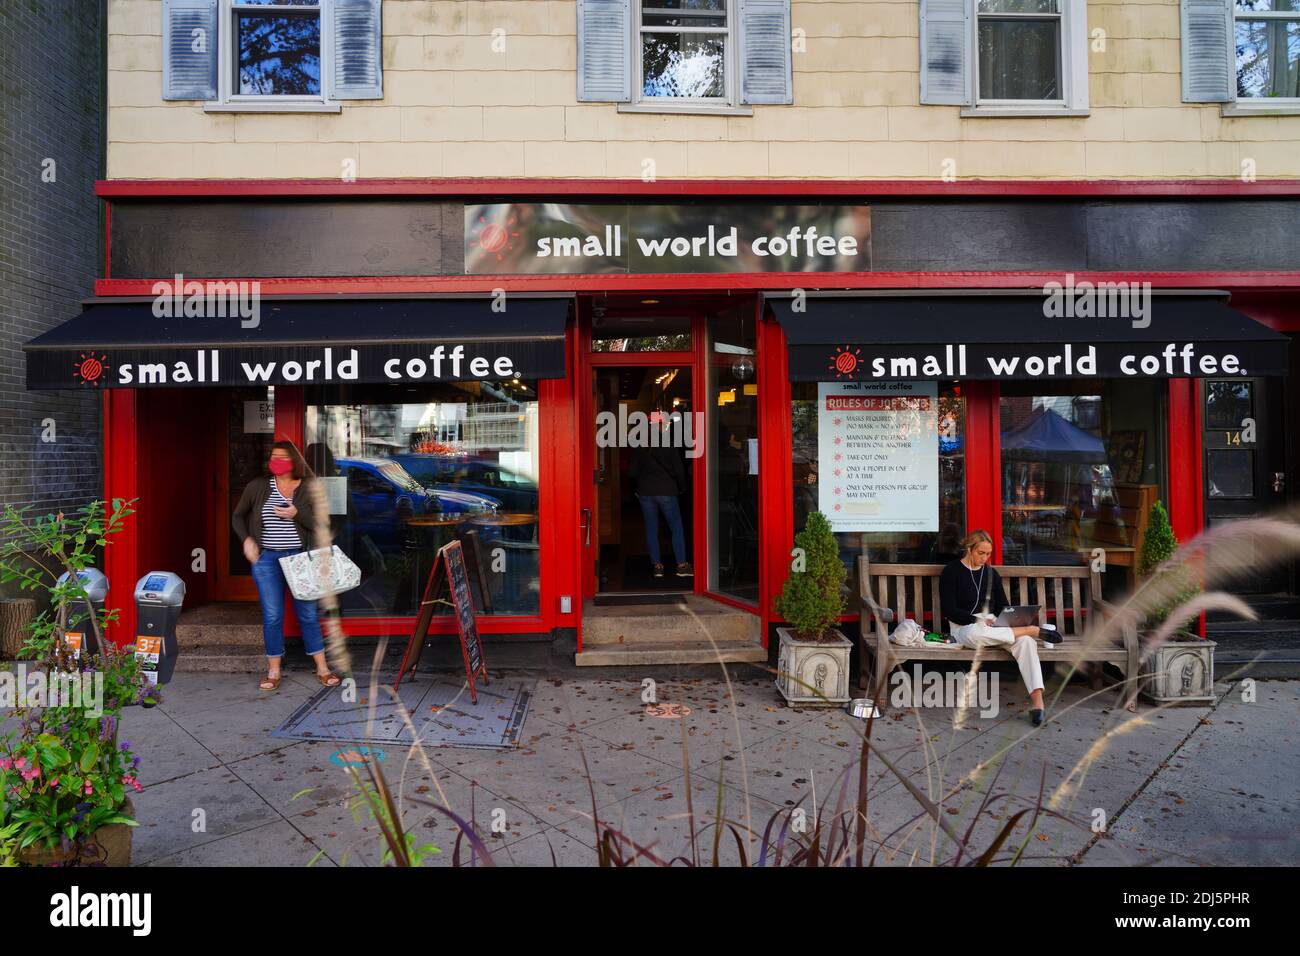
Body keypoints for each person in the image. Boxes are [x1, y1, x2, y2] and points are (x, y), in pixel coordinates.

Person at [232, 439, 341, 692]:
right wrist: (247, 540)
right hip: (267, 559)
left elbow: (325, 525)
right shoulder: (258, 487)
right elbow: (238, 516)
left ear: (294, 461)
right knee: (272, 616)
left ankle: (322, 668)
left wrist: (297, 514)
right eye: (273, 456)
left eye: (282, 456)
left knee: (308, 614)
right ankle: (273, 670)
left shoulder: (309, 488)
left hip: (301, 559)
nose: (277, 460)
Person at [939, 530, 1061, 725]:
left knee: (1026, 643)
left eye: (988, 554)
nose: (985, 558)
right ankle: (1032, 630)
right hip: (966, 627)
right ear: (969, 549)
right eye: (981, 553)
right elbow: (950, 610)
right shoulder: (951, 571)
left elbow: (1002, 606)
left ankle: (1038, 705)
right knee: (977, 633)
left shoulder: (990, 573)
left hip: (995, 627)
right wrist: (976, 619)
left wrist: (1008, 617)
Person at [627, 420, 691, 579]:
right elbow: (679, 471)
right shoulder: (669, 445)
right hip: (667, 492)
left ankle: (657, 566)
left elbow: (632, 473)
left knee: (651, 529)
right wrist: (682, 488)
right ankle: (681, 565)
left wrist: (637, 487)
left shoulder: (640, 447)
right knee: (675, 527)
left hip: (646, 493)